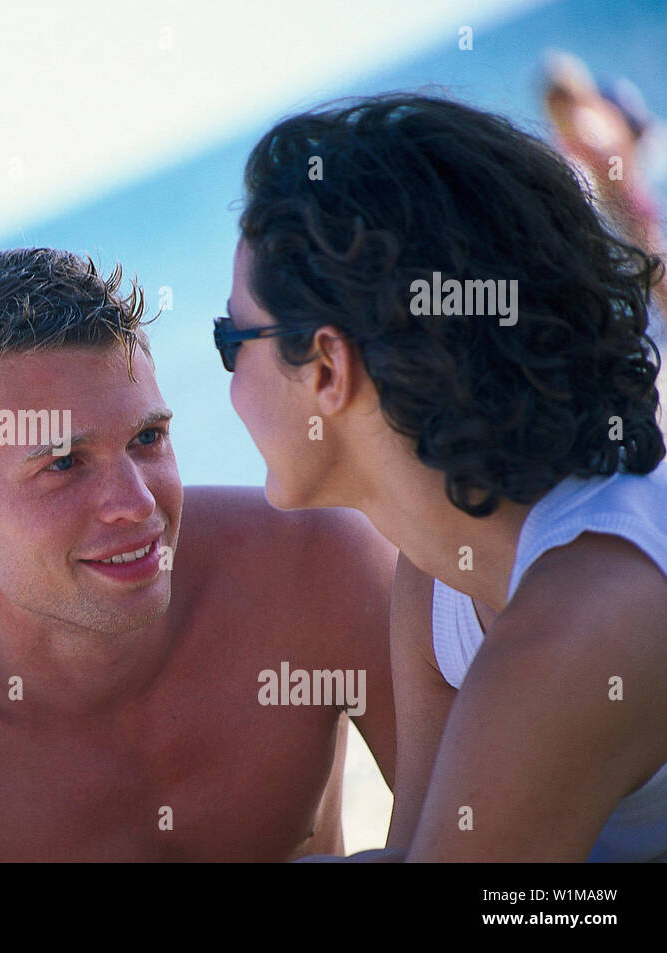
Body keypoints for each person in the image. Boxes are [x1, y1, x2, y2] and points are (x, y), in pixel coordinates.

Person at [0, 248, 398, 861]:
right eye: (63, 464)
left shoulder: (312, 566)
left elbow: (486, 857)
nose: (137, 504)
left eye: (147, 439)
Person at [220, 93, 667, 861]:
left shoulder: (586, 608)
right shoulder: (445, 573)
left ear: (328, 366)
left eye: (234, 339)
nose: (227, 380)